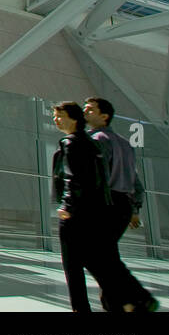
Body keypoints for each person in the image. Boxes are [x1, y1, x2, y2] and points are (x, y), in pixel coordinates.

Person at [51, 101, 129, 312]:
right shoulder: (97, 143)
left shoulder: (74, 142)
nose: (56, 119)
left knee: (74, 264)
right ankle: (119, 302)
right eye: (54, 116)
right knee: (102, 259)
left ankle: (84, 308)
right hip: (100, 209)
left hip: (77, 212)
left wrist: (66, 206)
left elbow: (73, 177)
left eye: (60, 115)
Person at [83, 97, 157, 312]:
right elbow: (135, 182)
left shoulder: (96, 140)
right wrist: (134, 210)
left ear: (104, 116)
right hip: (123, 206)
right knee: (106, 256)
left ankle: (137, 297)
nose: (85, 111)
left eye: (90, 109)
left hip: (106, 204)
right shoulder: (125, 143)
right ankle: (118, 303)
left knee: (97, 256)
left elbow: (100, 177)